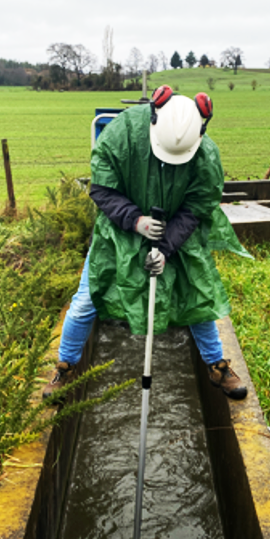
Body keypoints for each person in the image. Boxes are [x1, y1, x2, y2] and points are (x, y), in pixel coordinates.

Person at [43, 85, 251, 402]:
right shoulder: (120, 135)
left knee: (196, 296)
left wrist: (167, 248)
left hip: (173, 230)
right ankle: (65, 368)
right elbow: (101, 189)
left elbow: (197, 205)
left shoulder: (205, 154)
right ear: (153, 119)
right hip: (120, 229)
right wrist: (135, 220)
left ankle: (217, 366)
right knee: (87, 299)